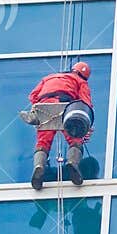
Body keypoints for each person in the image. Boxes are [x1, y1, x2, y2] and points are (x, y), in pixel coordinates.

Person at [27, 62, 94, 190]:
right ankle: (72, 163)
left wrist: (39, 109)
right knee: (75, 139)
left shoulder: (49, 78)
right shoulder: (81, 82)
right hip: (65, 106)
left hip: (44, 107)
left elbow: (33, 96)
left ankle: (39, 166)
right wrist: (86, 125)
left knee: (43, 142)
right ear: (85, 76)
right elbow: (85, 103)